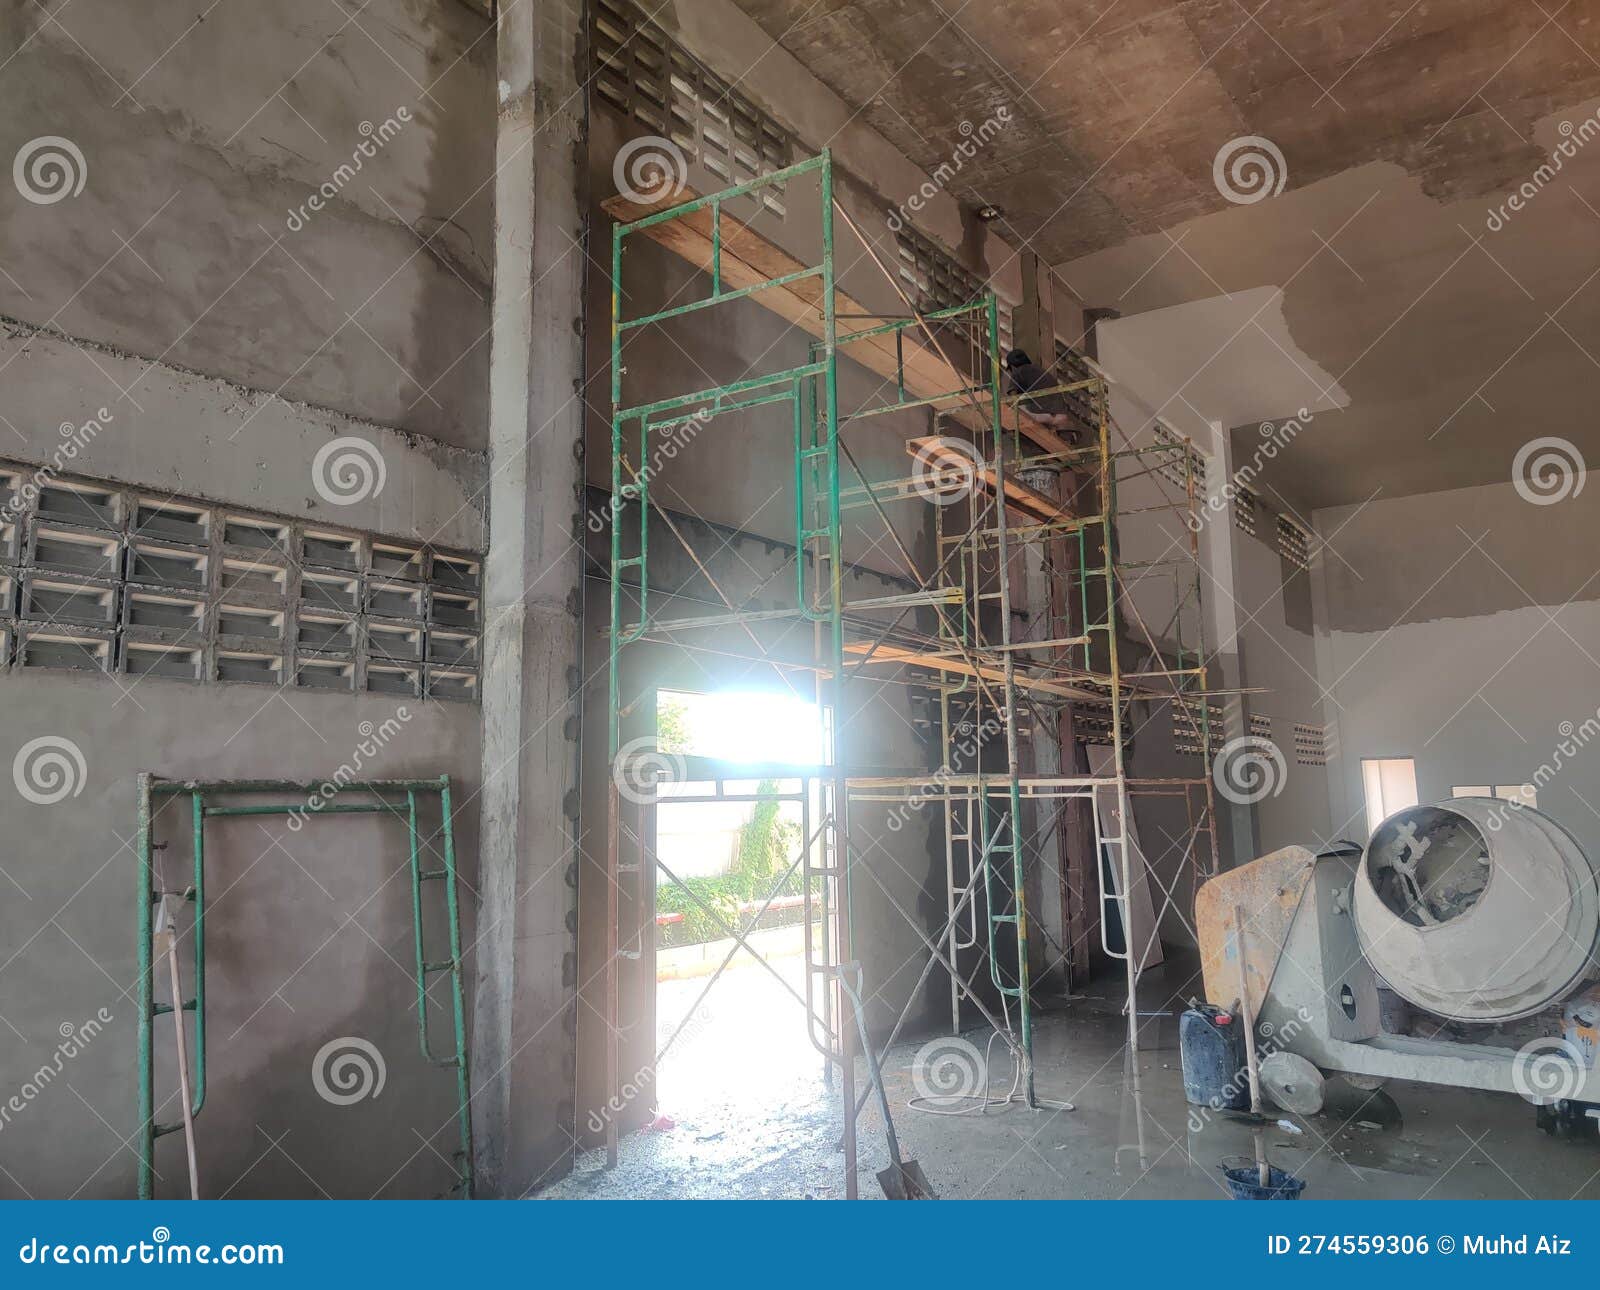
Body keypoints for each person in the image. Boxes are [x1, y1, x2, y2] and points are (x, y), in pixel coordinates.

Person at [1003, 348, 1079, 438]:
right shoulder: (1040, 370)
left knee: (1010, 412)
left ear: (1012, 366)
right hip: (1061, 414)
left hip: (1045, 416)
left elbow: (1013, 397)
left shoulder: (1018, 371)